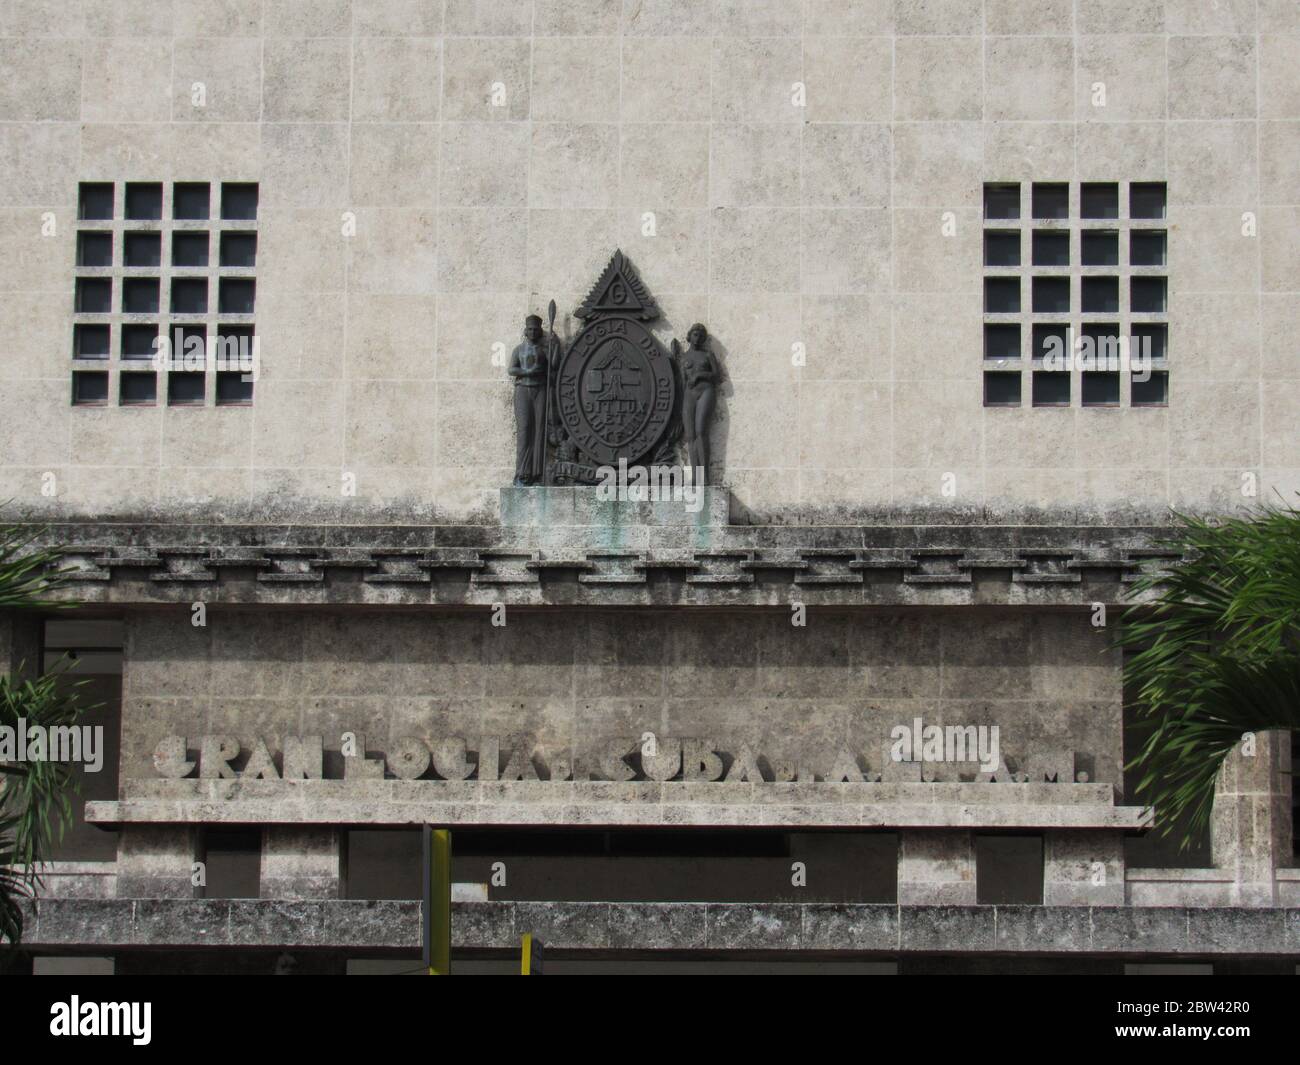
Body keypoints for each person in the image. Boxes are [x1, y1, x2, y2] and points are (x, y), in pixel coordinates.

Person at [507, 315, 555, 484]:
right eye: (530, 329)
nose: (533, 332)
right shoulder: (518, 350)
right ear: (525, 331)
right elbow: (511, 369)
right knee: (525, 429)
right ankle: (521, 471)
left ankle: (537, 472)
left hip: (540, 389)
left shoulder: (543, 350)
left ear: (540, 331)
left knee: (540, 429)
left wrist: (554, 347)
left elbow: (554, 367)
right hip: (523, 390)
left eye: (535, 329)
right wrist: (527, 372)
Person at [677, 323, 718, 484]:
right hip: (689, 395)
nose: (698, 337)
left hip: (705, 392)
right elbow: (681, 381)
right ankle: (695, 476)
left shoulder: (708, 355)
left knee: (701, 431)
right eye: (695, 334)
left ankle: (705, 476)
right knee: (690, 435)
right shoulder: (684, 358)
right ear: (689, 336)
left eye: (701, 335)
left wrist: (700, 374)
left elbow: (716, 376)